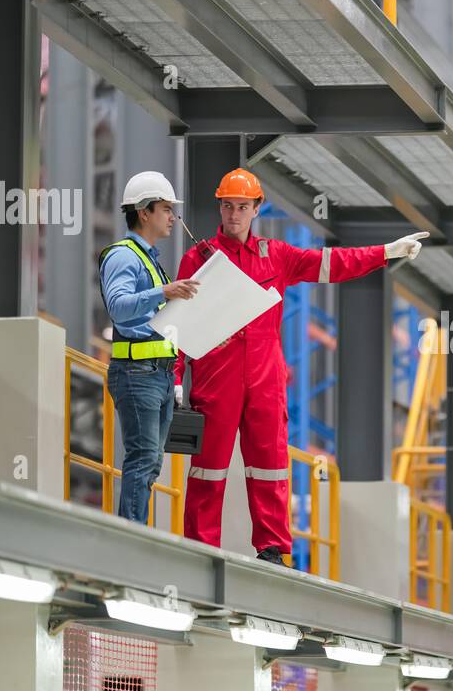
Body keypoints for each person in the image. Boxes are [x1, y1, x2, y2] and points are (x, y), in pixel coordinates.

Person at [174, 167, 426, 564]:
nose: (234, 215)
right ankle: (200, 546)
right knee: (208, 468)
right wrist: (174, 379)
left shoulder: (277, 256)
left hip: (265, 379)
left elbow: (332, 264)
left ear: (257, 208)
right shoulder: (199, 260)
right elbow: (179, 325)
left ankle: (272, 548)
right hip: (215, 379)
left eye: (242, 207)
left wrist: (386, 253)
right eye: (227, 207)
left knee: (271, 464)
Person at [100, 171, 199, 523]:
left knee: (151, 463)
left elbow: (158, 319)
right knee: (143, 459)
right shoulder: (124, 257)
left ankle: (136, 532)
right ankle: (132, 538)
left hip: (155, 374)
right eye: (166, 209)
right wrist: (165, 292)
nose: (172, 217)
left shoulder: (150, 260)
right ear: (144, 212)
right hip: (137, 374)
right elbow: (119, 306)